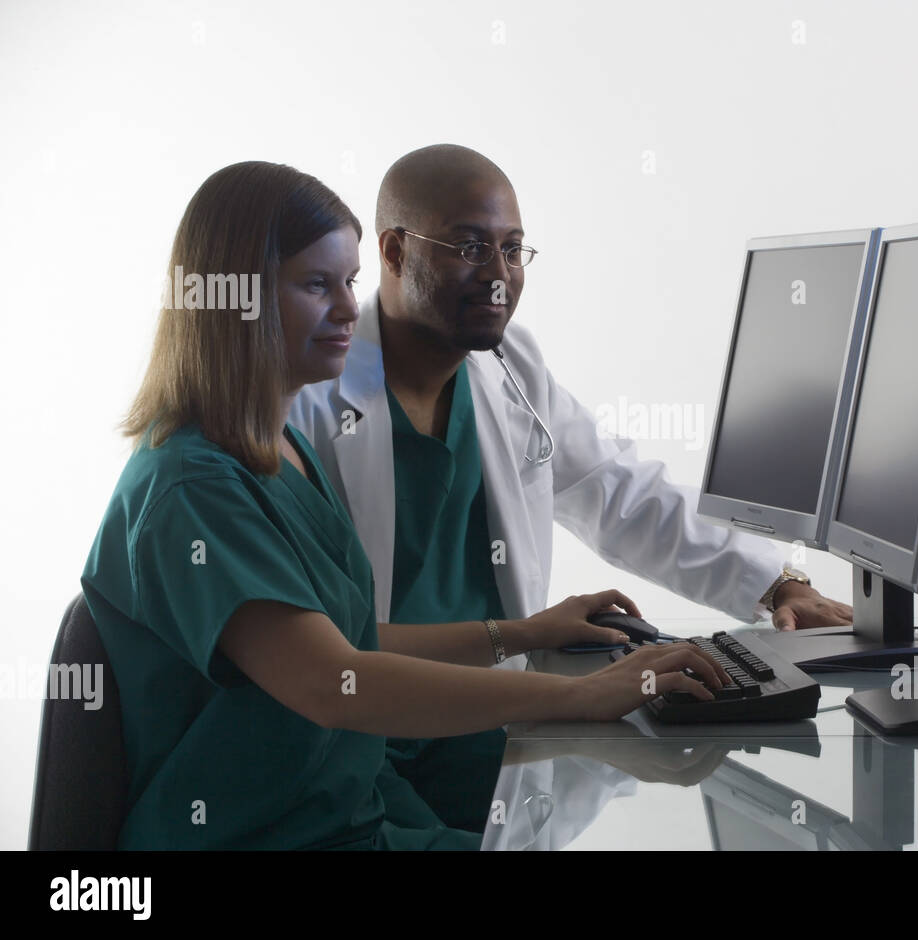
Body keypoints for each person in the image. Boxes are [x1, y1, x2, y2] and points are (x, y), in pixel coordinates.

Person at [80, 161, 729, 850]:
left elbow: (351, 642)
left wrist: (524, 633)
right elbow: (333, 682)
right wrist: (581, 695)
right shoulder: (193, 489)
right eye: (315, 284)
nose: (345, 309)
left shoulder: (281, 455)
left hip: (345, 808)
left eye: (348, 282)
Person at [288, 144, 855, 833]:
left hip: (480, 724)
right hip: (357, 741)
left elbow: (621, 494)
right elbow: (313, 656)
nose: (499, 276)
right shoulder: (305, 395)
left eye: (514, 249)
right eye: (470, 247)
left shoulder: (511, 367)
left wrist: (775, 585)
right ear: (396, 250)